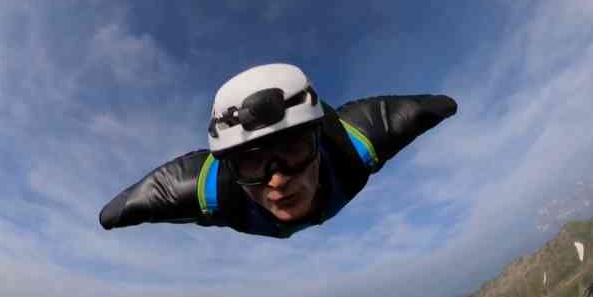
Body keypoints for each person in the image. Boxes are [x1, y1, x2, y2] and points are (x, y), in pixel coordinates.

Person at [99, 63, 457, 238]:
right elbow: (142, 199)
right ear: (231, 169)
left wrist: (434, 108)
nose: (277, 178)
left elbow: (416, 113)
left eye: (293, 149)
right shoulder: (214, 189)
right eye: (251, 161)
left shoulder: (352, 143)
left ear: (319, 140)